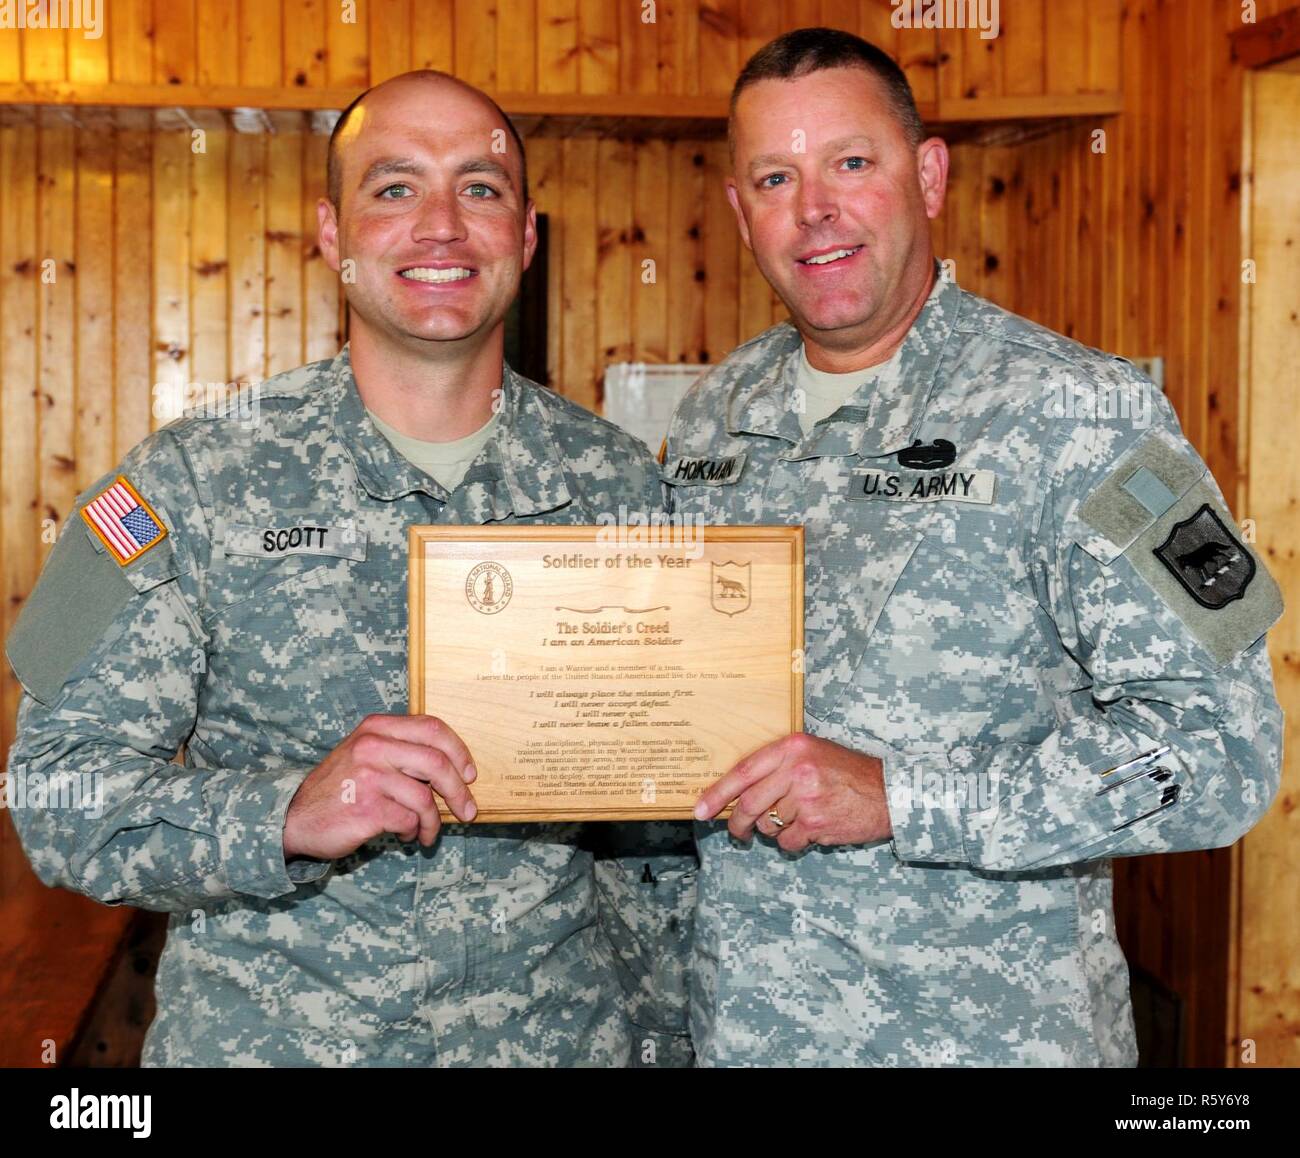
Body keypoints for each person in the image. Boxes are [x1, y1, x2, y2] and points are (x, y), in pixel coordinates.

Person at [4, 69, 692, 1067]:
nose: (442, 225)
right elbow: (50, 793)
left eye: (480, 187)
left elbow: (657, 834)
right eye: (395, 187)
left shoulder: (625, 482)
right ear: (332, 235)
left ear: (526, 237)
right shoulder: (169, 481)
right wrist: (284, 810)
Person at [665, 28, 1285, 1067]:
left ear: (929, 174)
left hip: (983, 1041)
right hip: (746, 1034)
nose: (813, 207)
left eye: (850, 163)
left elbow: (1223, 751)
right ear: (740, 212)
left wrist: (905, 799)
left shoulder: (1088, 415)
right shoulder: (712, 418)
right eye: (776, 177)